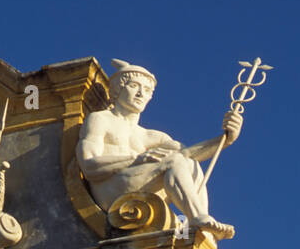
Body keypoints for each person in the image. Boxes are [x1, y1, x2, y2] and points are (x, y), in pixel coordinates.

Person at [77, 60, 241, 239]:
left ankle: (202, 225)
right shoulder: (101, 119)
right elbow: (89, 166)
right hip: (109, 190)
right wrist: (136, 159)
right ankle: (197, 217)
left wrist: (225, 140)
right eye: (134, 86)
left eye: (147, 90)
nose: (141, 94)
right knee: (175, 161)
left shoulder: (153, 136)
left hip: (137, 188)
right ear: (117, 89)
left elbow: (188, 155)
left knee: (189, 163)